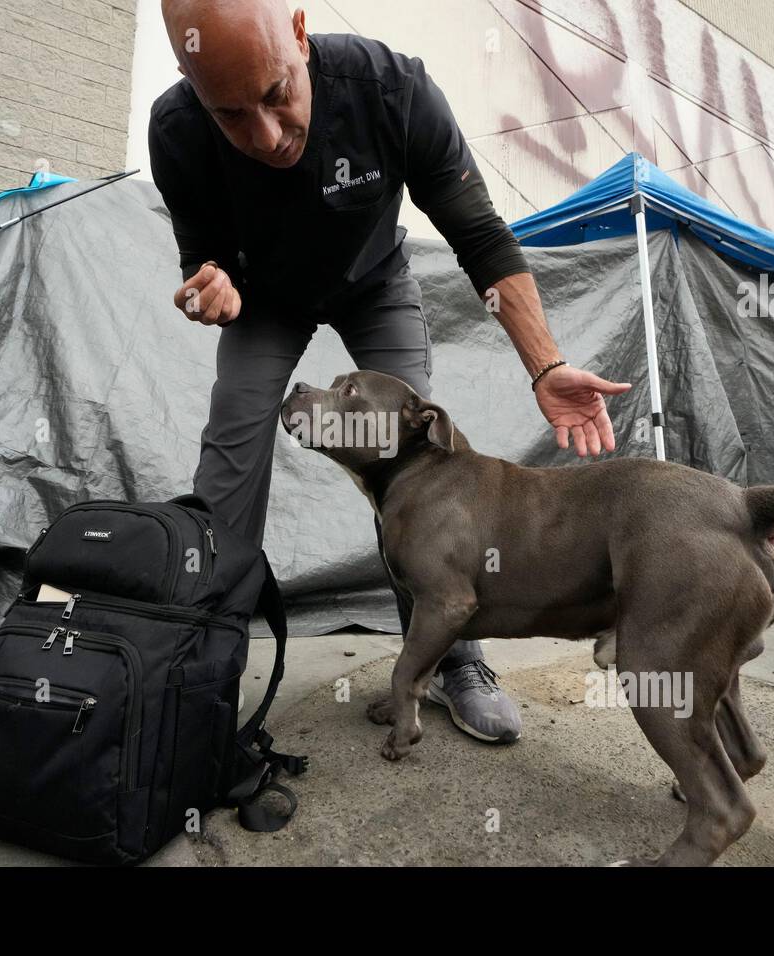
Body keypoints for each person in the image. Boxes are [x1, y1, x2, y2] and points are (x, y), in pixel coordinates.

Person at [149, 0, 630, 744]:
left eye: (279, 95)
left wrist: (546, 365)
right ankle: (203, 664)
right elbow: (200, 256)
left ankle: (452, 660)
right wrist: (209, 287)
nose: (268, 136)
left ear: (300, 34)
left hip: (373, 282)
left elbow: (480, 236)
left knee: (419, 458)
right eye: (233, 115)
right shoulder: (176, 131)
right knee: (230, 447)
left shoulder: (391, 90)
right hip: (266, 301)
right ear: (190, 81)